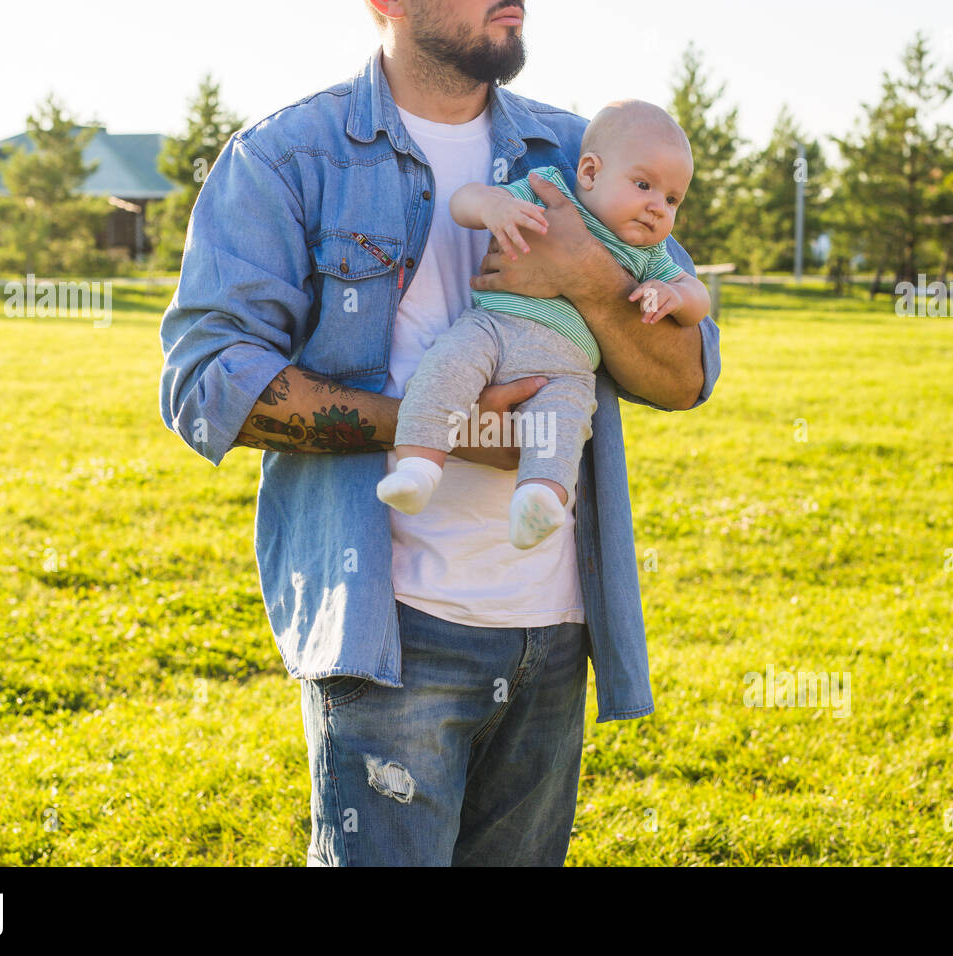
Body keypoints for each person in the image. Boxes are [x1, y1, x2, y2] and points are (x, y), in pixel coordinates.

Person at [158, 0, 721, 866]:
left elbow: (686, 375)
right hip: (392, 636)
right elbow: (208, 383)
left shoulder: (582, 153)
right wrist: (441, 431)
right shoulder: (283, 159)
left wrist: (584, 275)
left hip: (557, 629)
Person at [377, 101, 710, 552]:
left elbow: (698, 302)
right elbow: (462, 201)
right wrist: (493, 206)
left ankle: (539, 500)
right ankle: (418, 468)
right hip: (494, 327)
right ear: (589, 172)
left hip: (565, 368)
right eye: (644, 185)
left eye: (672, 200)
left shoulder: (650, 256)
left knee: (565, 423)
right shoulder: (550, 192)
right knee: (445, 368)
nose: (657, 209)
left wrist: (678, 296)